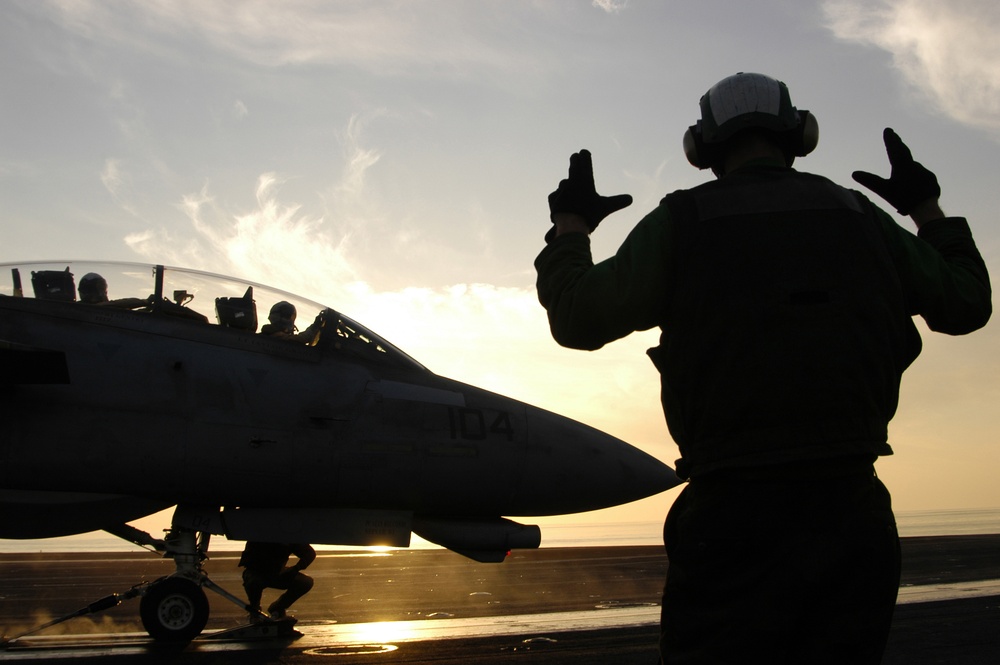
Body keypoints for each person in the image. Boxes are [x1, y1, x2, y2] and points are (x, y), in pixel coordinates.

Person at [534, 72, 991, 663]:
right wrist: (926, 209)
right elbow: (965, 305)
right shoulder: (858, 216)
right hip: (851, 511)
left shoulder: (682, 222)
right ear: (799, 134)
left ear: (701, 147)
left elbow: (577, 320)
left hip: (732, 513)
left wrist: (571, 227)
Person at [238, 541, 316, 621]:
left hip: (278, 573)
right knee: (254, 581)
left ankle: (278, 608)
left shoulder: (285, 536)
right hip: (255, 572)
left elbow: (310, 554)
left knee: (305, 582)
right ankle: (255, 610)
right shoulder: (258, 533)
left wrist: (296, 568)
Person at [260, 301, 325, 344]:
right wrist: (315, 326)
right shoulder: (278, 336)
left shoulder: (267, 333)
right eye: (287, 315)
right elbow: (303, 338)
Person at [78, 272, 149, 309]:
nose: (103, 293)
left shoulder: (107, 312)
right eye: (99, 288)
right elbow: (116, 304)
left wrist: (147, 309)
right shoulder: (81, 309)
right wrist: (145, 302)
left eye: (103, 288)